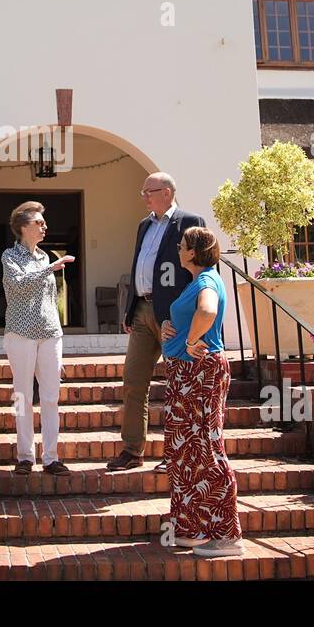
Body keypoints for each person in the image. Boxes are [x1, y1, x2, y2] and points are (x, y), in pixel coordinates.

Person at [107, 173, 205, 472]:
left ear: (167, 192)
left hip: (173, 316)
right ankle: (132, 450)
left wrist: (185, 313)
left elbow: (197, 270)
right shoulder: (144, 224)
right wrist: (129, 309)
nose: (144, 197)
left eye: (148, 191)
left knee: (179, 384)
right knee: (134, 382)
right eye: (143, 191)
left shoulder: (190, 221)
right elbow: (138, 265)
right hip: (140, 311)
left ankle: (177, 452)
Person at [159, 226, 243, 558]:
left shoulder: (207, 280)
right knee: (183, 451)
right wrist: (172, 329)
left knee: (206, 448)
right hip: (185, 373)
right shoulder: (196, 282)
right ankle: (191, 529)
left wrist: (193, 341)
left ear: (193, 252)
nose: (178, 250)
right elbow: (192, 314)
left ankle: (226, 536)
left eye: (181, 246)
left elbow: (207, 312)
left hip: (200, 372)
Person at [0, 200, 72, 477]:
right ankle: (25, 456)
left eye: (44, 222)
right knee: (22, 396)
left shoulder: (45, 256)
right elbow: (18, 286)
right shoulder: (10, 256)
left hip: (50, 333)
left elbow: (50, 298)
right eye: (38, 223)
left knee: (51, 396)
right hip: (20, 333)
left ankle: (51, 457)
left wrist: (49, 267)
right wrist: (51, 269)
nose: (45, 227)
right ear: (22, 227)